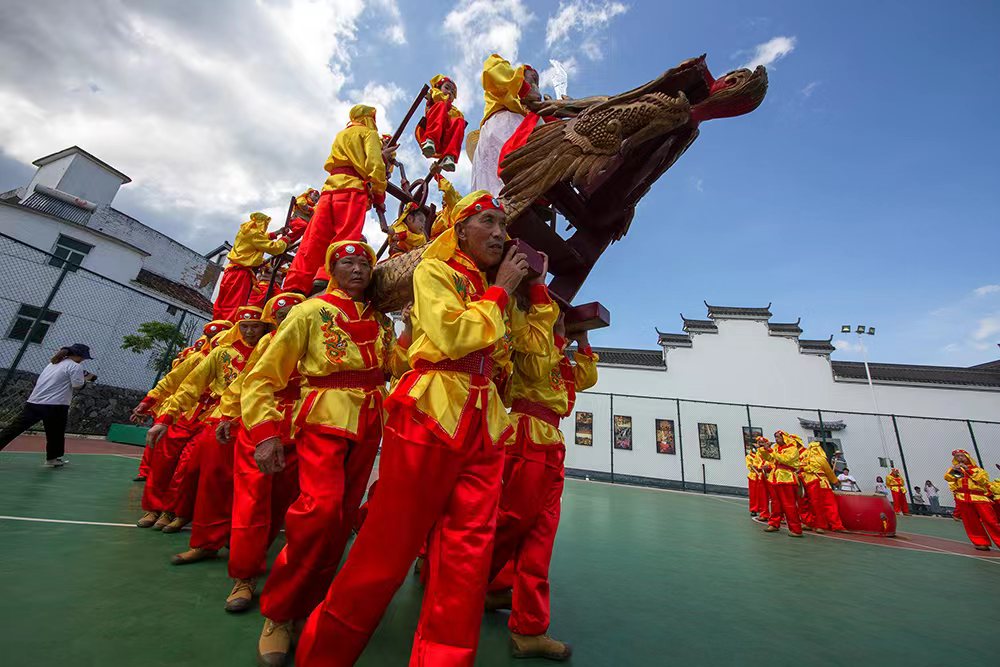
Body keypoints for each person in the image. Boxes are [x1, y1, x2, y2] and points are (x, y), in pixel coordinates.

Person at [295, 191, 555, 667]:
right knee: (387, 547)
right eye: (487, 222)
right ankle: (323, 655)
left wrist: (532, 291)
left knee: (467, 559)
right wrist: (501, 290)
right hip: (431, 410)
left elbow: (537, 352)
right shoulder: (435, 272)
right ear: (460, 231)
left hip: (485, 419)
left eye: (503, 226)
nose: (499, 233)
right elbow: (452, 335)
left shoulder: (499, 286)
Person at [244, 240, 401, 666]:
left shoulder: (382, 321)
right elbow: (261, 377)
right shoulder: (309, 311)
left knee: (342, 519)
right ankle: (279, 612)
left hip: (370, 421)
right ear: (332, 269)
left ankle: (314, 601)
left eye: (364, 263)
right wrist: (264, 433)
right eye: (347, 262)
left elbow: (397, 368)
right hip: (323, 419)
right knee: (319, 511)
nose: (357, 269)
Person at [484, 313, 596, 660]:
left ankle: (529, 628)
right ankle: (467, 576)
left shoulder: (558, 356)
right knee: (514, 519)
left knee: (541, 535)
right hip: (526, 435)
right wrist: (558, 338)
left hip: (551, 442)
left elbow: (587, 379)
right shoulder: (527, 338)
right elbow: (533, 370)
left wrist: (582, 341)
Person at [146, 306, 270, 564]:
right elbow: (191, 384)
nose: (249, 331)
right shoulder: (222, 353)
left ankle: (242, 544)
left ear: (265, 326)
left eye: (255, 326)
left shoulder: (273, 348)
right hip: (221, 419)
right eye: (244, 326)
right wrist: (166, 417)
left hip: (263, 420)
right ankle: (203, 539)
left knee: (256, 486)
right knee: (204, 475)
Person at [217, 292, 305, 613]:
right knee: (251, 502)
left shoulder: (314, 337)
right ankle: (244, 575)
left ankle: (268, 561)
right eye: (280, 316)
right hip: (261, 423)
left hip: (300, 426)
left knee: (283, 501)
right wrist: (228, 413)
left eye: (293, 314)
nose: (287, 320)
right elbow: (247, 380)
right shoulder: (267, 342)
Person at [282, 105, 392, 295]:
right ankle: (327, 276)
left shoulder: (342, 134)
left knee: (314, 239)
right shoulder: (368, 133)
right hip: (352, 189)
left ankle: (295, 286)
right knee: (346, 235)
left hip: (329, 190)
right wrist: (379, 194)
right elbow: (375, 165)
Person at [133, 320, 230, 529]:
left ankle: (174, 511)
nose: (215, 341)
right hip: (183, 414)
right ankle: (153, 508)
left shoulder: (232, 359)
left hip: (210, 417)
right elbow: (172, 381)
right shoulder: (197, 358)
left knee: (188, 466)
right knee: (163, 461)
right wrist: (148, 401)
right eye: (211, 338)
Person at [0, 343, 95, 466]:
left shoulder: (54, 363)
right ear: (78, 355)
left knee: (14, 428)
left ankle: (52, 458)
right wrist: (85, 380)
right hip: (56, 405)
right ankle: (52, 459)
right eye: (83, 357)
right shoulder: (75, 366)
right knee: (56, 433)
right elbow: (77, 385)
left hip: (35, 401)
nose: (83, 360)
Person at [471, 54, 540, 196]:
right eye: (532, 79)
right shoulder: (507, 86)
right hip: (502, 127)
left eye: (536, 83)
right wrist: (522, 88)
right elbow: (492, 69)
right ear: (521, 73)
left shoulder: (527, 112)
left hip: (508, 130)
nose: (535, 86)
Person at [214, 213, 288, 321]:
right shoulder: (254, 235)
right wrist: (284, 240)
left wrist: (277, 233)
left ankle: (219, 324)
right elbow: (275, 248)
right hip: (240, 274)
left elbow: (260, 237)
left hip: (231, 272)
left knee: (223, 301)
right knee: (235, 303)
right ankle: (230, 324)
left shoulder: (245, 231)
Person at [944, 449, 1000, 551]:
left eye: (962, 456)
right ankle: (981, 542)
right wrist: (954, 470)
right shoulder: (957, 470)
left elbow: (982, 481)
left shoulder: (978, 470)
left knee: (990, 521)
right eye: (957, 457)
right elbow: (950, 479)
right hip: (963, 499)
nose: (960, 458)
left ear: (967, 457)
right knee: (971, 522)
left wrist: (968, 470)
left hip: (979, 498)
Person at [415, 74, 467, 172]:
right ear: (439, 87)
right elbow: (438, 98)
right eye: (447, 88)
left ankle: (449, 156)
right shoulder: (436, 96)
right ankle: (430, 141)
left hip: (443, 141)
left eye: (452, 92)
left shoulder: (454, 111)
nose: (449, 92)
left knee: (460, 121)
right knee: (441, 105)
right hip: (428, 133)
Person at [759, 431, 803, 537]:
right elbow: (769, 458)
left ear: (784, 438)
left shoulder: (792, 449)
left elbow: (785, 460)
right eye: (775, 437)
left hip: (787, 478)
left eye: (778, 437)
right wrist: (764, 449)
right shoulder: (776, 448)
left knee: (789, 504)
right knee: (775, 503)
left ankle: (796, 529)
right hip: (775, 478)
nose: (776, 439)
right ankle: (774, 523)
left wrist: (770, 450)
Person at [799, 441, 845, 532]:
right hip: (823, 484)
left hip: (809, 484)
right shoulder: (821, 459)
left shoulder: (804, 460)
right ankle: (836, 525)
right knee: (830, 505)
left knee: (813, 506)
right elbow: (829, 472)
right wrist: (835, 481)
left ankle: (812, 523)